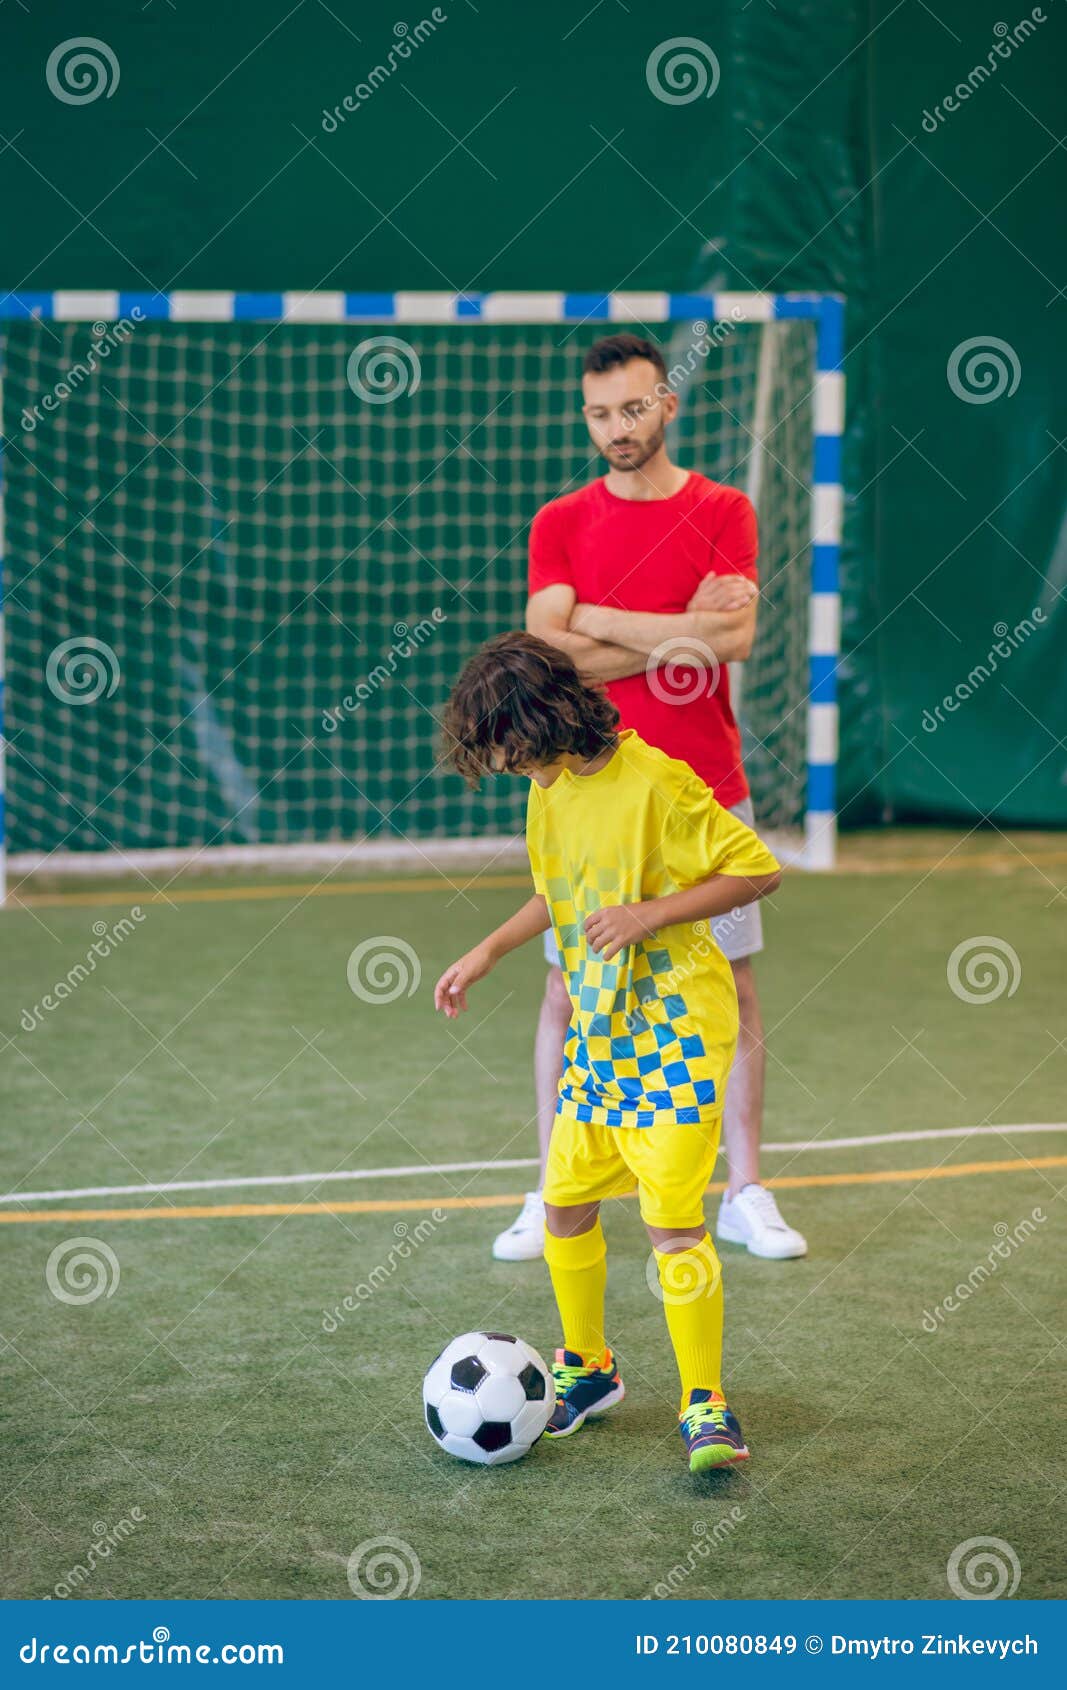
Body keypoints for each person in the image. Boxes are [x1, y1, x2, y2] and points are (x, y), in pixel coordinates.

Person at [492, 331, 806, 1264]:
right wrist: (682, 633)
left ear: (666, 404)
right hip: (589, 791)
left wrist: (593, 618)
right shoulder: (560, 520)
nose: (616, 428)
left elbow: (737, 639)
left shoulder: (723, 508)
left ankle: (744, 1190)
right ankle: (555, 1179)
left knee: (734, 990)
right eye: (598, 414)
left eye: (633, 408)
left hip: (705, 790)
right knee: (563, 987)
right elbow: (548, 655)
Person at [434, 632, 782, 1470]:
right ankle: (588, 1372)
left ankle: (707, 1405)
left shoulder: (657, 781)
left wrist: (649, 914)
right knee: (564, 1204)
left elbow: (758, 870)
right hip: (600, 1030)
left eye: (504, 745)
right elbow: (557, 895)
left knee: (671, 1224)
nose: (504, 764)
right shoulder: (547, 788)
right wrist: (487, 951)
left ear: (542, 719)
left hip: (674, 1034)